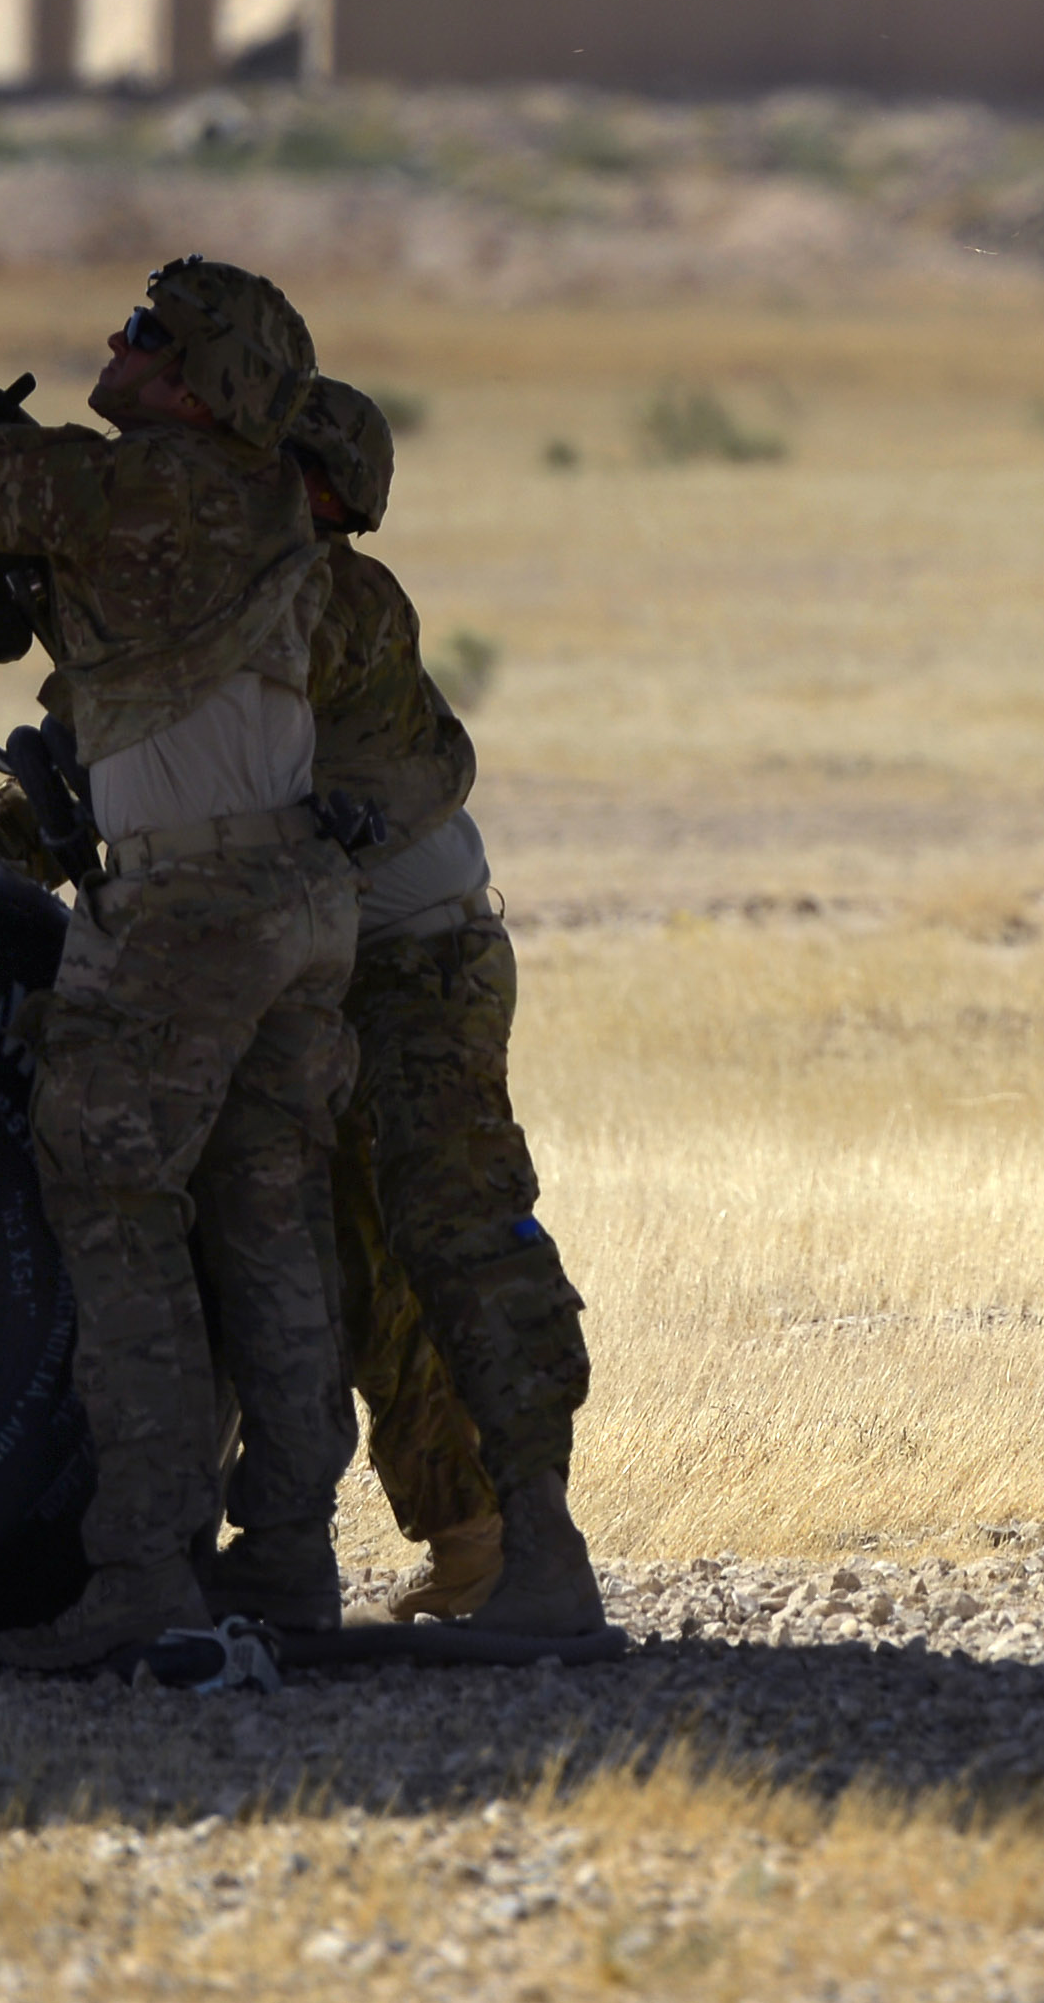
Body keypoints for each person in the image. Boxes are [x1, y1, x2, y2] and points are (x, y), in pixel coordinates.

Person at [0, 249, 363, 1666]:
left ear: (191, 377)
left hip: (184, 908)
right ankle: (289, 1563)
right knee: (271, 1219)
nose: (111, 343)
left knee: (117, 1215)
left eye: (141, 333)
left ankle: (144, 1578)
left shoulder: (134, 484)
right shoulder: (249, 492)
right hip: (297, 890)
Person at [283, 377, 607, 1640]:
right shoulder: (253, 593)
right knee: (372, 1277)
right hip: (336, 963)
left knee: (461, 1237)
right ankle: (474, 1550)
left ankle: (542, 1546)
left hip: (421, 962)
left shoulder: (337, 601)